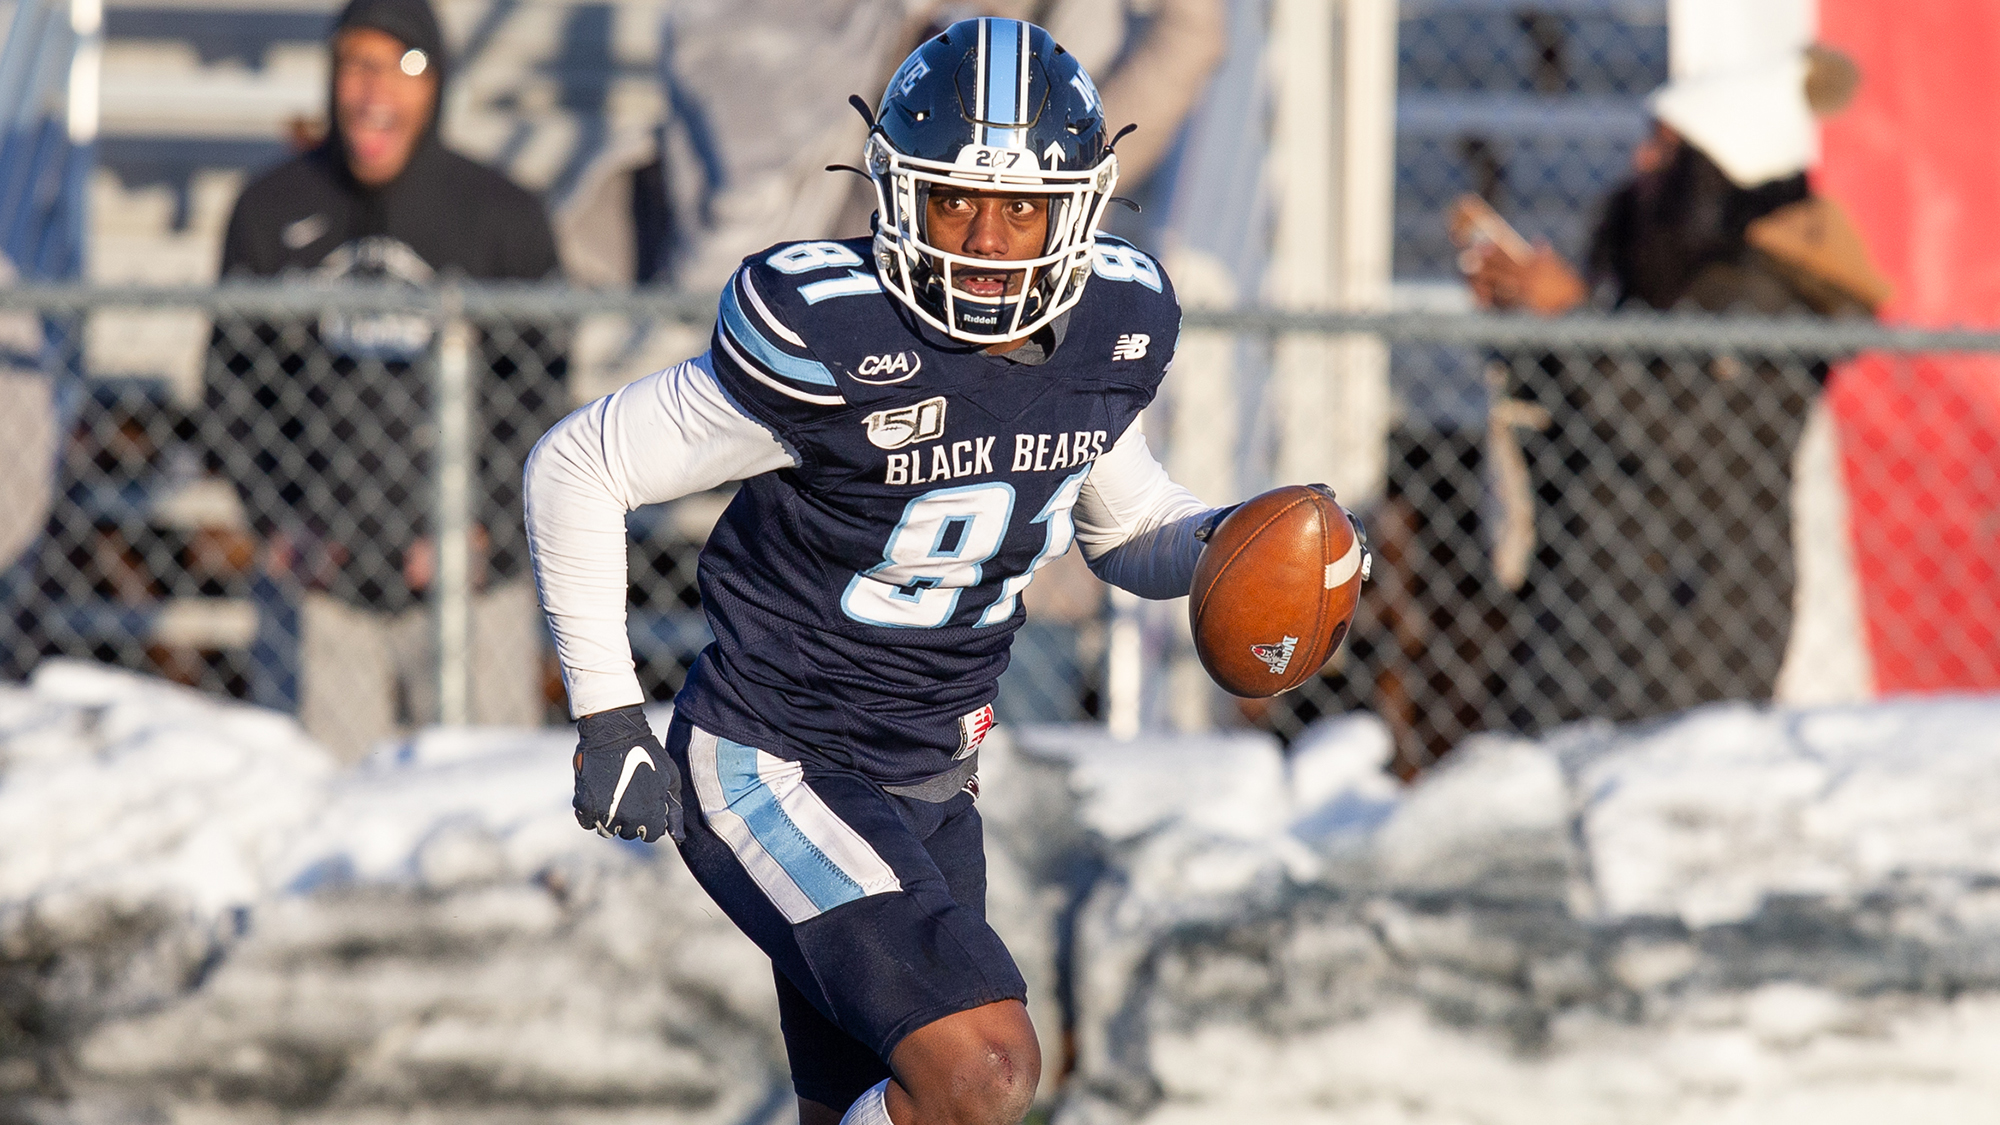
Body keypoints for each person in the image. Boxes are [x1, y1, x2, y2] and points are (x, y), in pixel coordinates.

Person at [525, 19, 1246, 1125]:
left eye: (1021, 209)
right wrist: (609, 713)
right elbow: (580, 463)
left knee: (889, 1101)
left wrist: (1235, 544)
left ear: (1075, 210)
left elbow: (1129, 525)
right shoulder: (834, 336)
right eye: (955, 201)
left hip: (934, 776)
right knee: (980, 1070)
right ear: (899, 193)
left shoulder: (1108, 329)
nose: (987, 241)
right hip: (780, 758)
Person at [1458, 43, 1885, 730]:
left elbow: (1684, 438)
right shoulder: (1677, 281)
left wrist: (1574, 321)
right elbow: (1590, 411)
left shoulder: (1765, 301)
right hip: (1602, 613)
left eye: (1664, 145)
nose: (1641, 160)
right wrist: (1523, 324)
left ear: (1717, 166)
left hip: (1690, 627)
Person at [201, 0, 568, 761]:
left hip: (470, 582)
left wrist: (486, 527)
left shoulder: (502, 214)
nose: (375, 90)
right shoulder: (272, 209)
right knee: (320, 803)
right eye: (356, 64)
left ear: (438, 82)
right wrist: (279, 522)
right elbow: (231, 388)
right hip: (324, 585)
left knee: (479, 801)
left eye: (402, 65)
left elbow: (541, 393)